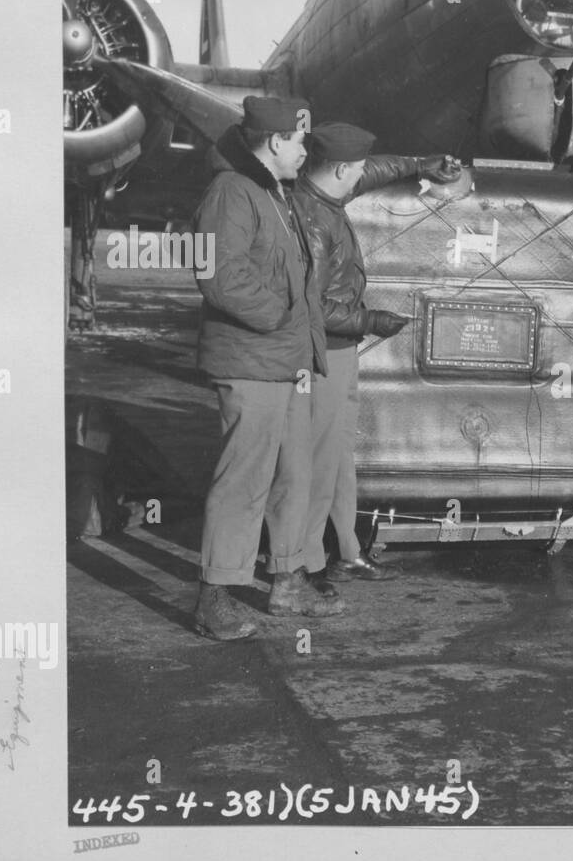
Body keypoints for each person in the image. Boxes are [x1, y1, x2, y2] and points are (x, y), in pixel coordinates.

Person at [192, 95, 342, 641]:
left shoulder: (274, 192)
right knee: (244, 481)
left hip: (283, 363)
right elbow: (217, 273)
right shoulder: (231, 191)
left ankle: (288, 580)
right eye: (300, 141)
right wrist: (279, 320)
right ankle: (215, 596)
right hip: (251, 362)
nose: (305, 152)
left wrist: (299, 349)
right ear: (277, 142)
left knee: (292, 475)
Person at [292, 122, 462, 583]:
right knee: (321, 462)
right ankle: (304, 564)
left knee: (341, 456)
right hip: (323, 352)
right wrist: (371, 321)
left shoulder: (326, 193)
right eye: (359, 168)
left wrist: (420, 165)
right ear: (342, 168)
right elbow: (313, 307)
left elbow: (372, 173)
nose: (365, 174)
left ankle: (347, 548)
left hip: (341, 351)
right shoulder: (311, 219)